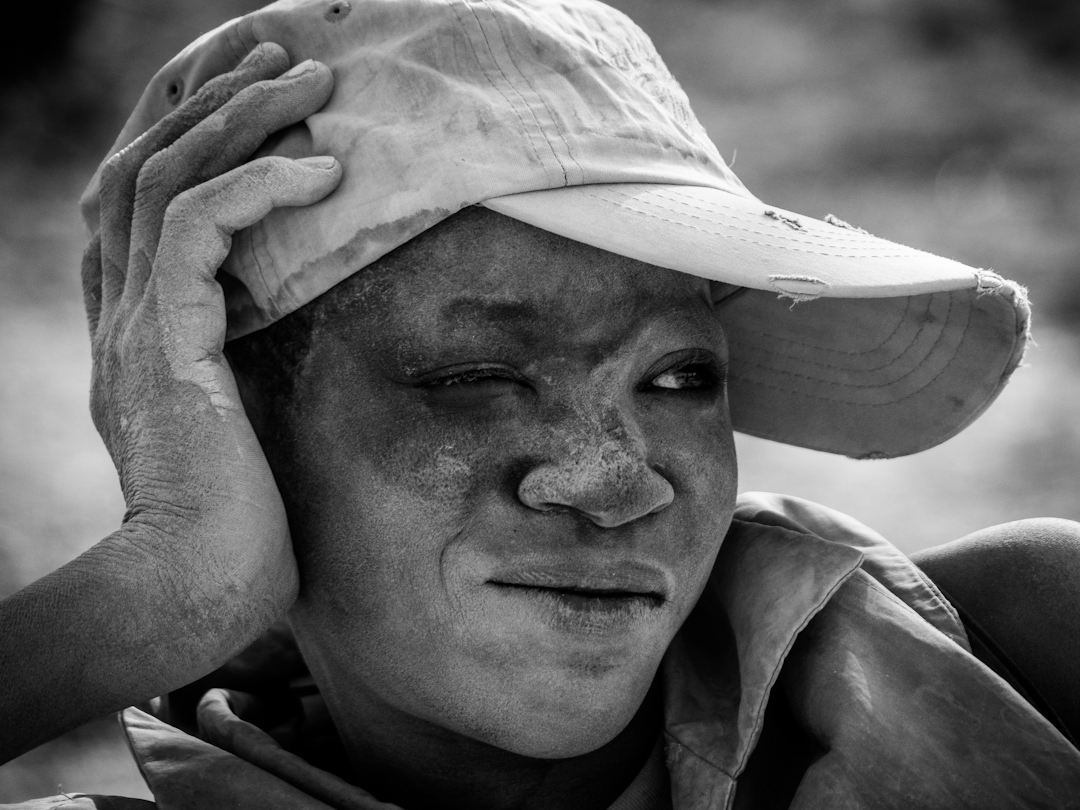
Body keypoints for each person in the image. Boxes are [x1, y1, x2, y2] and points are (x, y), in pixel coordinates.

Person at [1, 0, 1079, 807]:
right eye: (472, 379)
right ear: (236, 425)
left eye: (680, 378)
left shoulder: (1019, 647)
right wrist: (161, 587)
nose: (615, 483)